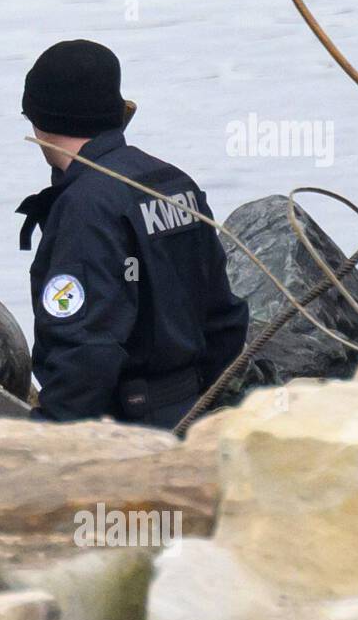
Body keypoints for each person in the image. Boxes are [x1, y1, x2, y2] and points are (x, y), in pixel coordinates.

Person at [16, 40, 248, 428]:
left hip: (128, 428)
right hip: (193, 412)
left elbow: (87, 351)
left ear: (37, 118)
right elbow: (225, 318)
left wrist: (51, 438)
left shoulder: (85, 208)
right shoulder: (174, 182)